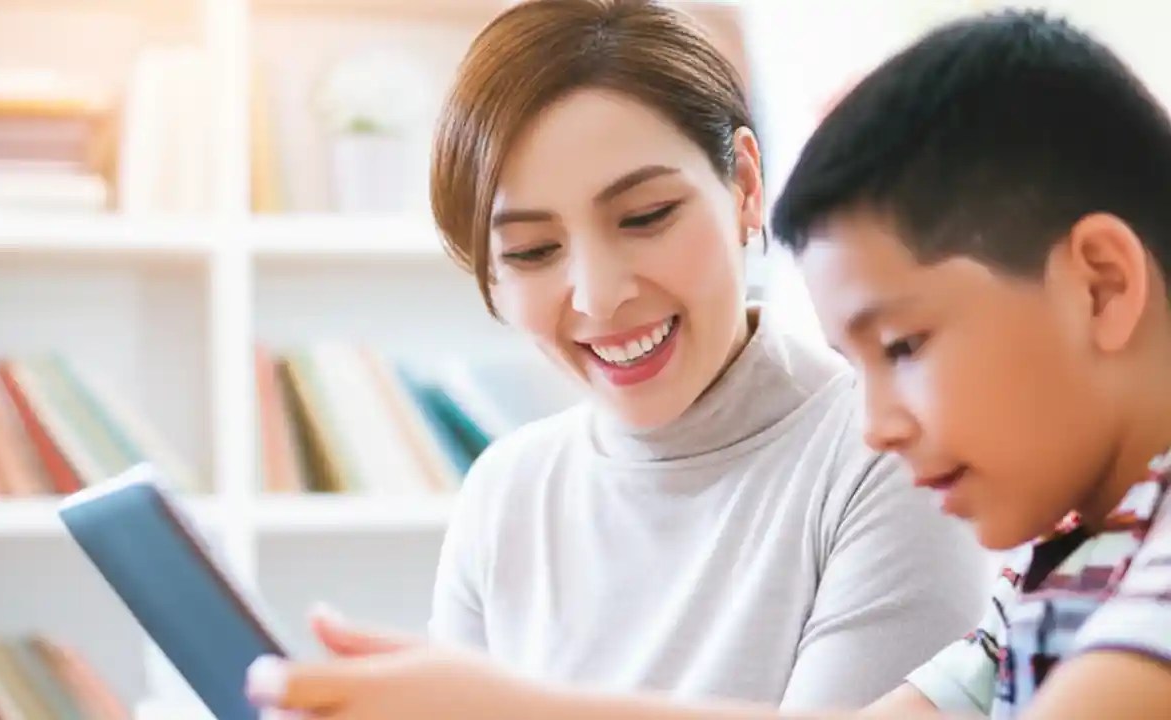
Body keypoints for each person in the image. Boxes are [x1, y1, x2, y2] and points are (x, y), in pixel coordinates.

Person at [243, 7, 1171, 719]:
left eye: (905, 347)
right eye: (531, 250)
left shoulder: (1145, 598)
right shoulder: (1064, 576)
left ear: (1099, 286)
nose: (877, 418)